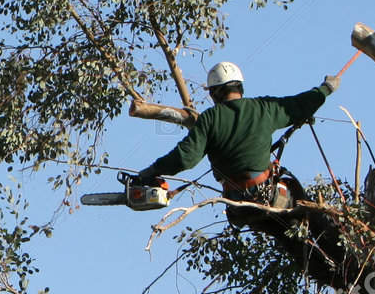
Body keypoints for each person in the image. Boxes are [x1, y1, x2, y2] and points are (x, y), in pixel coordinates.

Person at [132, 62, 339, 230]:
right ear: (240, 86)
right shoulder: (263, 108)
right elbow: (299, 105)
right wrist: (325, 89)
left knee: (282, 227)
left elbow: (186, 157)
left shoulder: (209, 119)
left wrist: (153, 170)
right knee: (304, 205)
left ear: (215, 93)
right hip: (271, 197)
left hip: (238, 206)